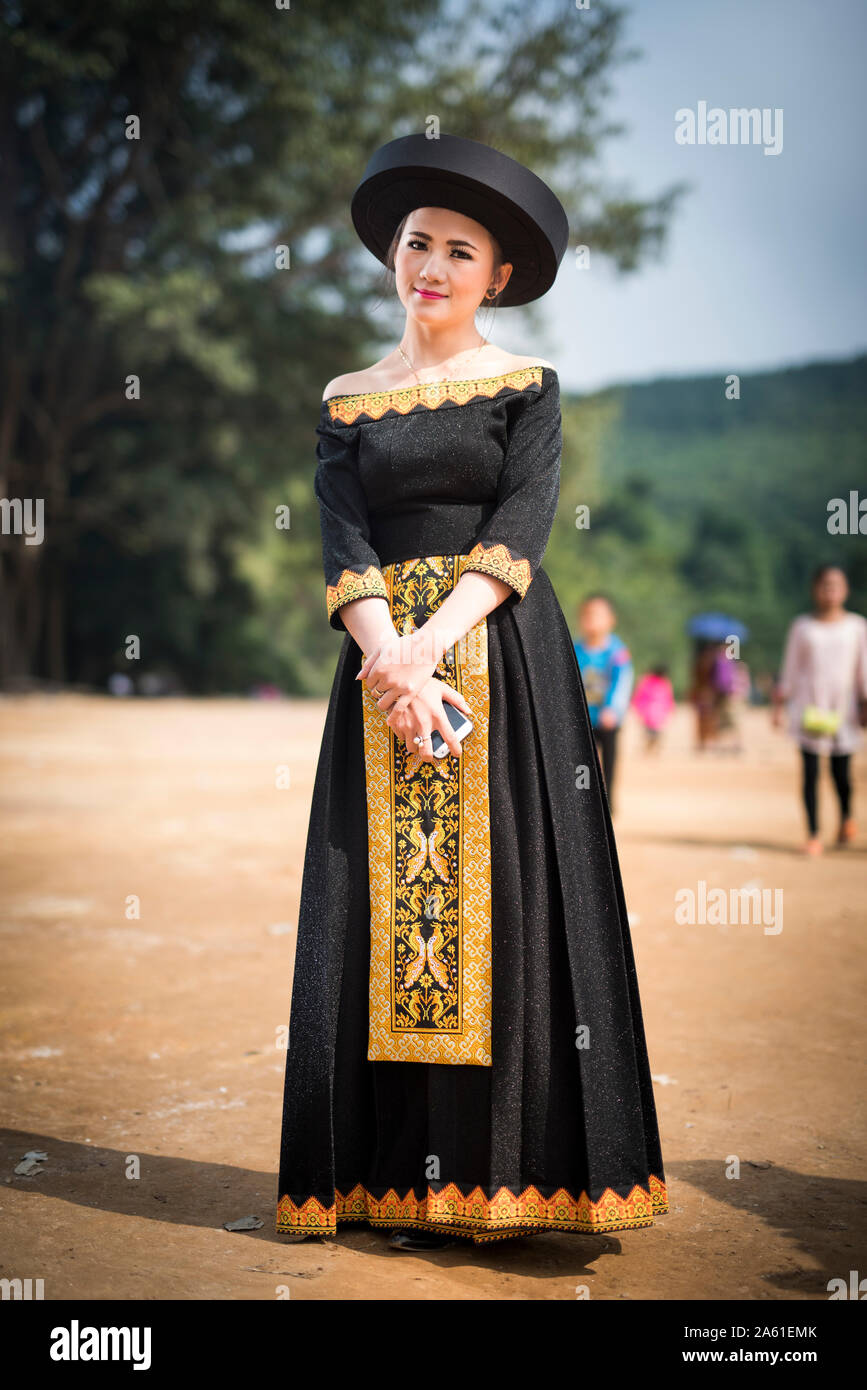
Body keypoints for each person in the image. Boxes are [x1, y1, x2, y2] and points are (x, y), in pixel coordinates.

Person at [276, 133, 667, 1250]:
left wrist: (424, 650)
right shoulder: (348, 397)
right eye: (415, 243)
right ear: (391, 258)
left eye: (459, 250)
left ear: (497, 276)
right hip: (381, 667)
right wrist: (382, 654)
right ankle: (390, 1185)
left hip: (499, 661)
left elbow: (518, 534)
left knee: (504, 900)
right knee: (382, 914)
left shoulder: (528, 388)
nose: (431, 264)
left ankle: (513, 1180)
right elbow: (343, 545)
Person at [772, 564, 867, 856]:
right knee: (810, 772)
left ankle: (846, 817)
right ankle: (813, 834)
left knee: (841, 772)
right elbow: (790, 667)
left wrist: (865, 702)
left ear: (845, 590)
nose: (830, 591)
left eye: (836, 585)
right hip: (809, 707)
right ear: (815, 589)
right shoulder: (803, 626)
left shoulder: (857, 626)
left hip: (844, 709)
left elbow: (863, 668)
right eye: (825, 585)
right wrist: (780, 702)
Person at [572, 594, 634, 812]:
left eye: (597, 615)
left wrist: (613, 710)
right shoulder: (575, 650)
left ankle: (609, 804)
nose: (592, 619)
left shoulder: (617, 652)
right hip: (582, 718)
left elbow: (622, 682)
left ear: (611, 620)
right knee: (582, 761)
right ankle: (584, 802)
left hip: (607, 719)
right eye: (587, 615)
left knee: (608, 763)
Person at [632, 664, 675, 753]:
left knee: (653, 733)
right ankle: (651, 747)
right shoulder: (657, 682)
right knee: (652, 733)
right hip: (653, 713)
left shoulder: (648, 681)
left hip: (653, 713)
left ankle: (652, 747)